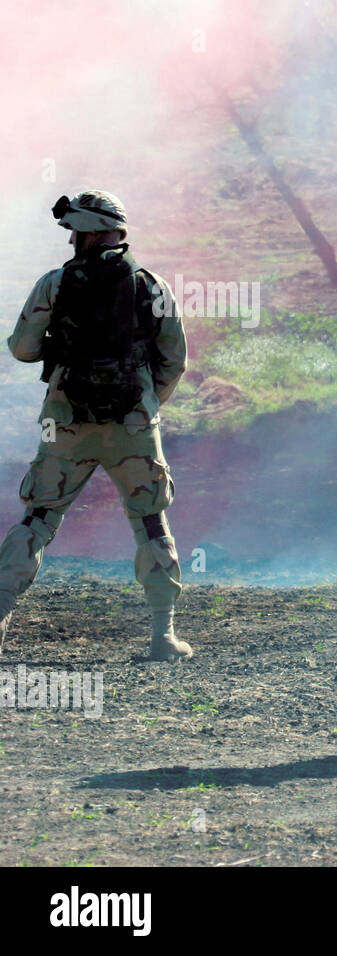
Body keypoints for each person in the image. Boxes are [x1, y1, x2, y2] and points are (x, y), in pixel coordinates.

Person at [0, 190, 188, 661]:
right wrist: (144, 406)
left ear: (87, 232)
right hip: (136, 426)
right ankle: (163, 636)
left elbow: (22, 349)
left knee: (40, 517)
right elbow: (175, 362)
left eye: (75, 233)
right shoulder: (153, 285)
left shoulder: (55, 283)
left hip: (64, 423)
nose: (72, 243)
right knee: (150, 521)